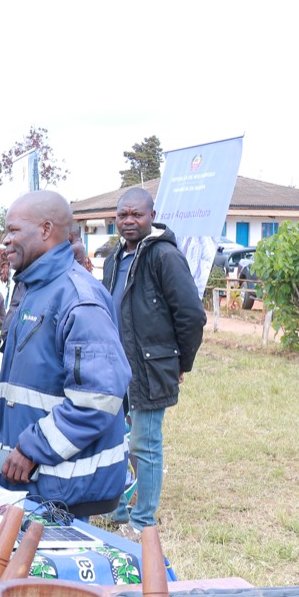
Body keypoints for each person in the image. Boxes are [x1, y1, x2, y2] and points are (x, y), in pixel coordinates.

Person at [0, 191, 130, 520]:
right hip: (33, 486)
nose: (5, 241)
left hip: (62, 492)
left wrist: (33, 448)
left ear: (46, 230)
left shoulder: (79, 299)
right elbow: (21, 378)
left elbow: (97, 397)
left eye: (14, 231)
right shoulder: (35, 291)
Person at [101, 188, 206, 537]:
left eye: (136, 215)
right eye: (122, 215)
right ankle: (115, 508)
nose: (129, 221)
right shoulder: (114, 257)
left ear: (151, 215)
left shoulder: (164, 256)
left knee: (144, 442)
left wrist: (181, 363)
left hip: (150, 365)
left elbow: (191, 315)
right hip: (116, 366)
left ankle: (142, 520)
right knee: (113, 438)